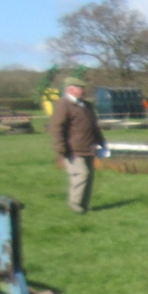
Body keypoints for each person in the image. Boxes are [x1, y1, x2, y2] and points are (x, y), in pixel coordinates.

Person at [47, 77, 106, 214]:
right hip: (73, 150)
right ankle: (75, 206)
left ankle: (84, 207)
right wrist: (61, 148)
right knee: (81, 175)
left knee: (89, 178)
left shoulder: (87, 105)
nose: (83, 91)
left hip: (88, 148)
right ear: (70, 89)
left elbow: (94, 127)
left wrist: (101, 142)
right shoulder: (63, 104)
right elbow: (57, 128)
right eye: (80, 88)